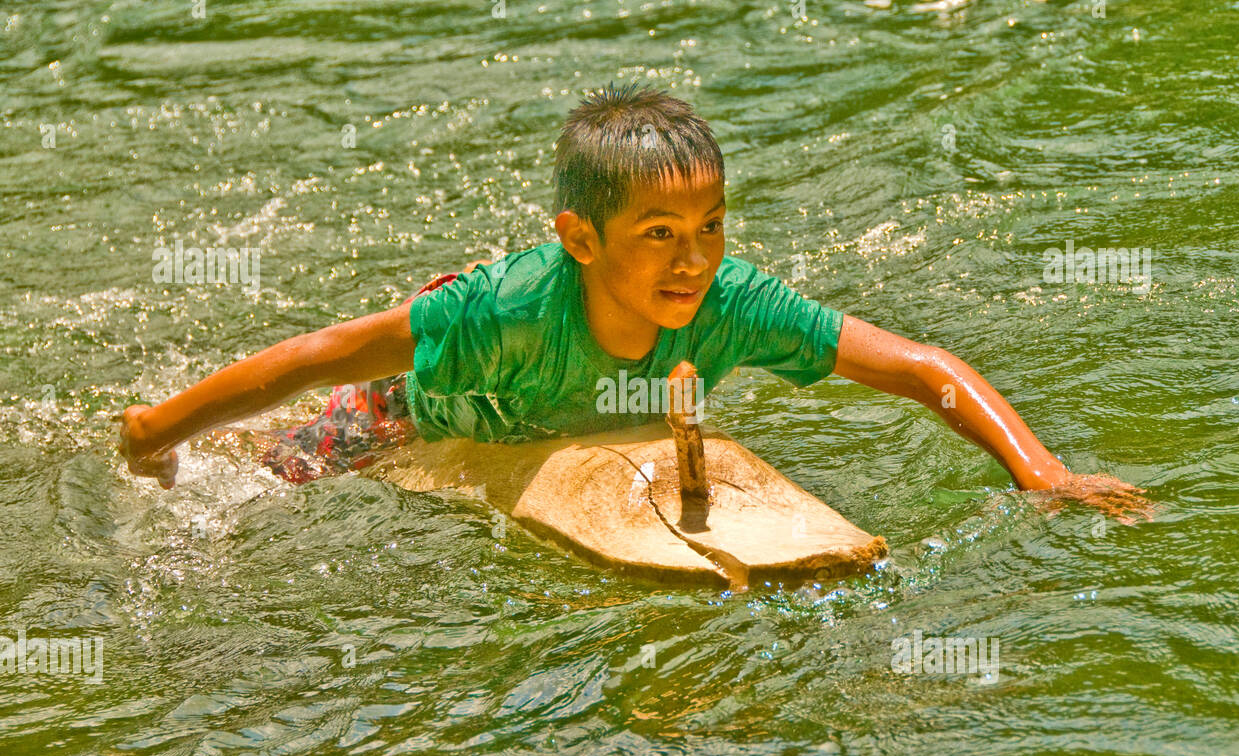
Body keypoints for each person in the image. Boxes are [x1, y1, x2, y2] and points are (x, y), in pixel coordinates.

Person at [118, 82, 1150, 522]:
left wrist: (1042, 472)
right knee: (241, 503)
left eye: (709, 226)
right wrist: (156, 433)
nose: (692, 259)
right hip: (407, 421)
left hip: (572, 427)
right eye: (658, 234)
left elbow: (919, 367)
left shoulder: (735, 305)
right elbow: (324, 352)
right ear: (580, 239)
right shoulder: (509, 304)